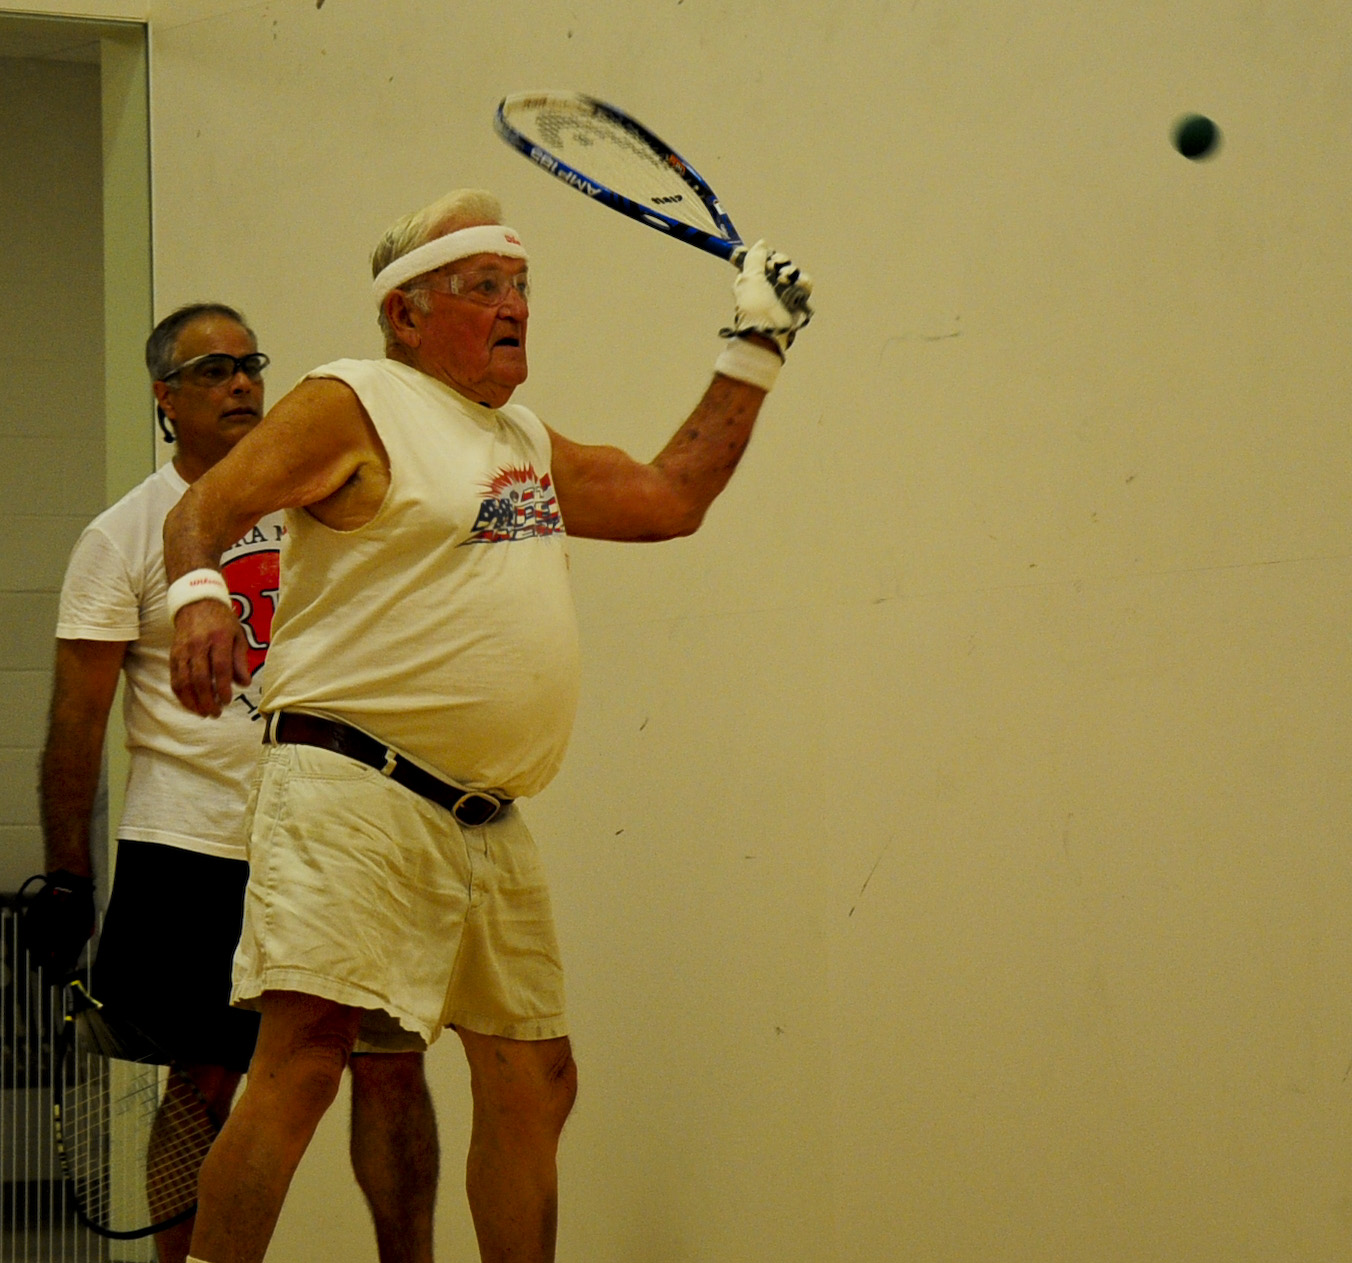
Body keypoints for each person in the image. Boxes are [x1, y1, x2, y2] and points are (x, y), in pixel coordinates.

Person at [163, 188, 813, 1263]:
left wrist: (756, 347)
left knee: (535, 1080)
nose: (513, 306)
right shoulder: (354, 399)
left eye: (520, 288)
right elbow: (208, 506)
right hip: (351, 791)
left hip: (487, 823)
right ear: (406, 315)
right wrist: (196, 595)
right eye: (482, 287)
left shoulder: (519, 435)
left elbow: (665, 497)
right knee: (305, 1064)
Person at [23, 303, 440, 1263]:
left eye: (251, 364)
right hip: (190, 847)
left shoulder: (322, 505)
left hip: (338, 834)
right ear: (164, 398)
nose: (243, 384)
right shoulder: (121, 535)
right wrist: (67, 878)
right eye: (213, 370)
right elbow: (76, 723)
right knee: (201, 1081)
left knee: (387, 1068)